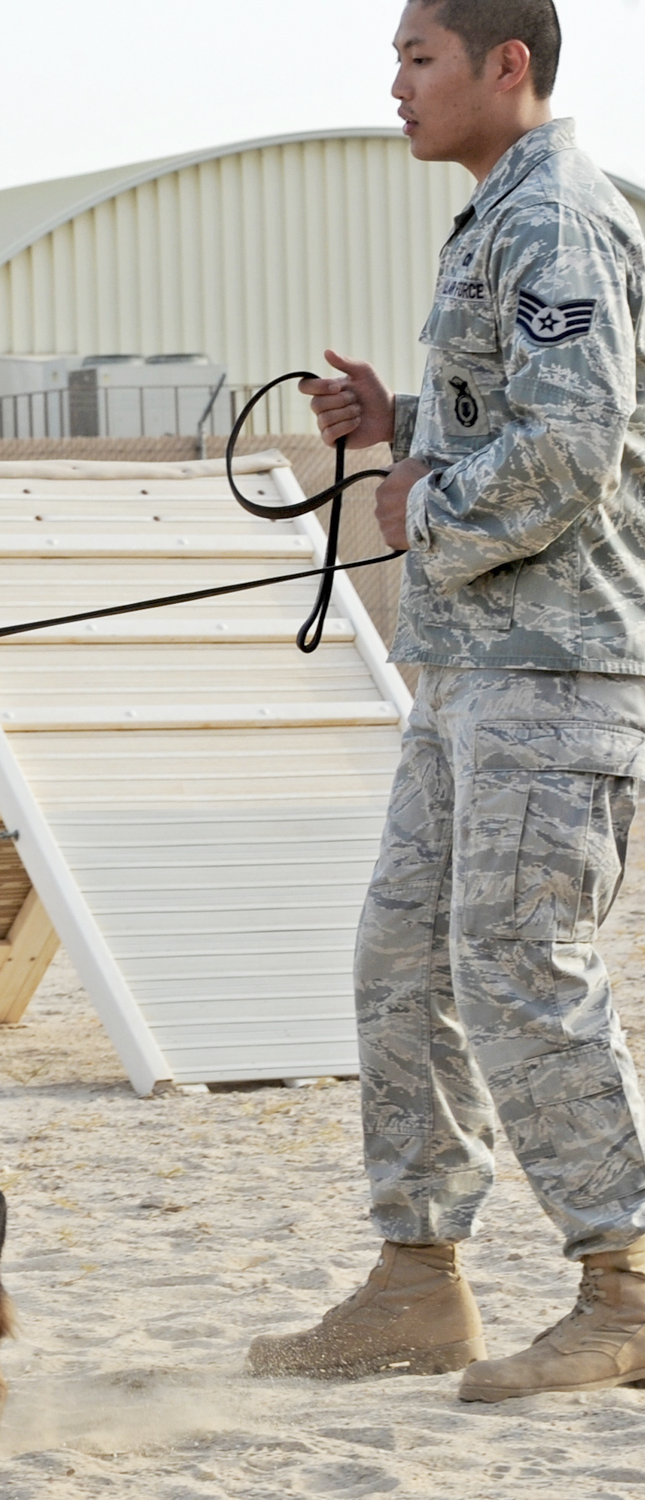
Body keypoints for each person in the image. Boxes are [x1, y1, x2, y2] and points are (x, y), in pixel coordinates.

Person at [249, 0, 645, 1401]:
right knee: (406, 959)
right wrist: (403, 429)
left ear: (505, 65)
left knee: (518, 962)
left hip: (558, 670)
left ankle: (627, 1283)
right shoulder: (496, 215)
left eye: (420, 58)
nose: (397, 86)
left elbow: (582, 441)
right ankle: (418, 1284)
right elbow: (529, 415)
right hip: (472, 666)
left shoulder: (558, 218)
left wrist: (430, 505)